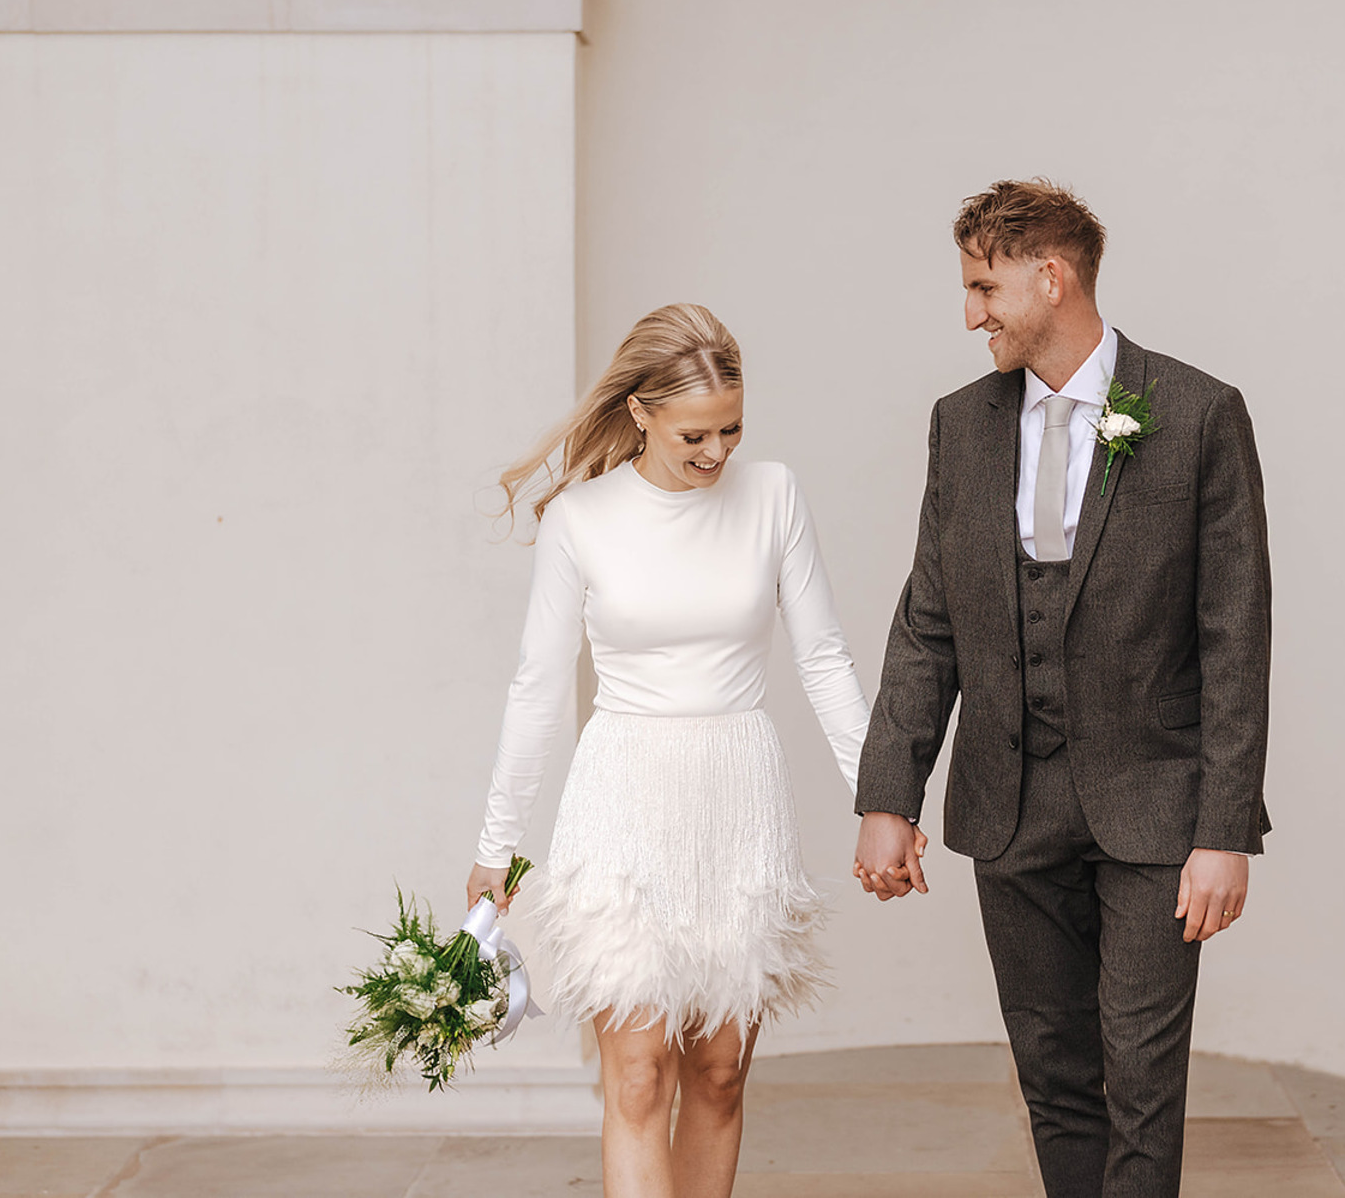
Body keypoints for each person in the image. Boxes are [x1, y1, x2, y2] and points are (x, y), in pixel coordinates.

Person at [853, 180, 1273, 1198]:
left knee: (1140, 1077)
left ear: (1054, 275)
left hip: (1155, 809)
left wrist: (1225, 827)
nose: (971, 313)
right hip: (1010, 807)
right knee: (1054, 1077)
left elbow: (1235, 635)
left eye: (984, 284)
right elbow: (929, 624)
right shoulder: (963, 425)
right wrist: (887, 796)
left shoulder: (1195, 412)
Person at [467, 303, 914, 1198]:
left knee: (718, 1074)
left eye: (733, 429)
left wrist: (884, 800)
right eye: (694, 435)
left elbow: (823, 658)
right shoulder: (581, 520)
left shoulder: (774, 493)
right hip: (624, 798)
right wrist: (495, 845)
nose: (718, 454)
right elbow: (537, 687)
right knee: (638, 1077)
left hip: (738, 798)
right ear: (639, 414)